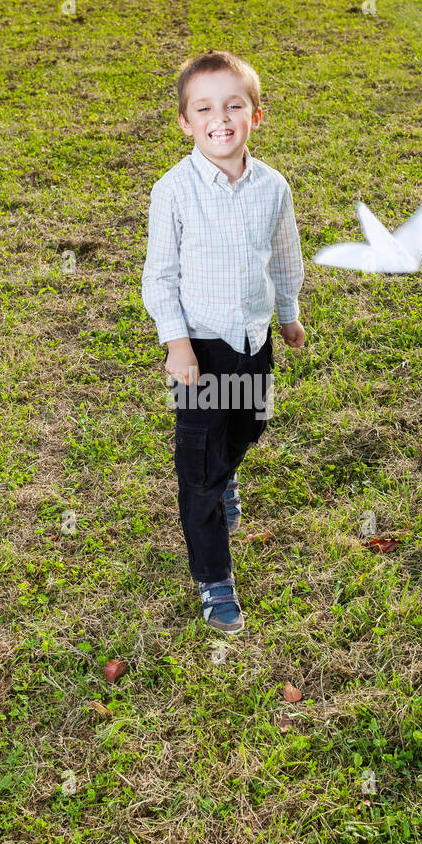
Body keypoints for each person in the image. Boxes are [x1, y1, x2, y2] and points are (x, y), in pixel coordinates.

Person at [142, 50, 305, 633]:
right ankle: (215, 579)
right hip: (200, 350)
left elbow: (284, 256)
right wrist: (176, 344)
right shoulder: (175, 191)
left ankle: (226, 473)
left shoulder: (272, 187)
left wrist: (287, 315)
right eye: (204, 108)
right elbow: (159, 277)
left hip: (253, 337)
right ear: (186, 122)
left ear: (256, 116)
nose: (221, 118)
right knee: (200, 471)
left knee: (252, 424)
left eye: (234, 105)